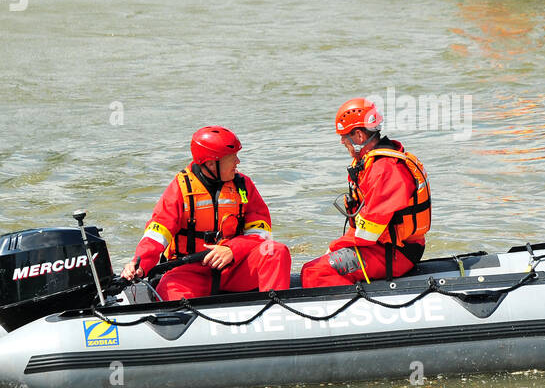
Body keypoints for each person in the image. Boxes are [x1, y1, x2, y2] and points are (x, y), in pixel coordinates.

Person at [121, 126, 291, 299]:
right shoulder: (180, 189)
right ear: (211, 163)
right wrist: (139, 263)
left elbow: (261, 235)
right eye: (232, 158)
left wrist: (231, 250)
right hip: (190, 272)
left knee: (276, 251)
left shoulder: (243, 186)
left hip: (233, 268)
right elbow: (156, 234)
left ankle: (276, 309)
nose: (238, 162)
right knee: (169, 290)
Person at [301, 98, 431, 288]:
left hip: (395, 253)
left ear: (360, 136)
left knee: (315, 272)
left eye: (344, 136)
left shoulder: (385, 169)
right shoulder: (373, 163)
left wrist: (334, 247)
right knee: (311, 268)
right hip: (385, 247)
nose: (342, 141)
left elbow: (369, 233)